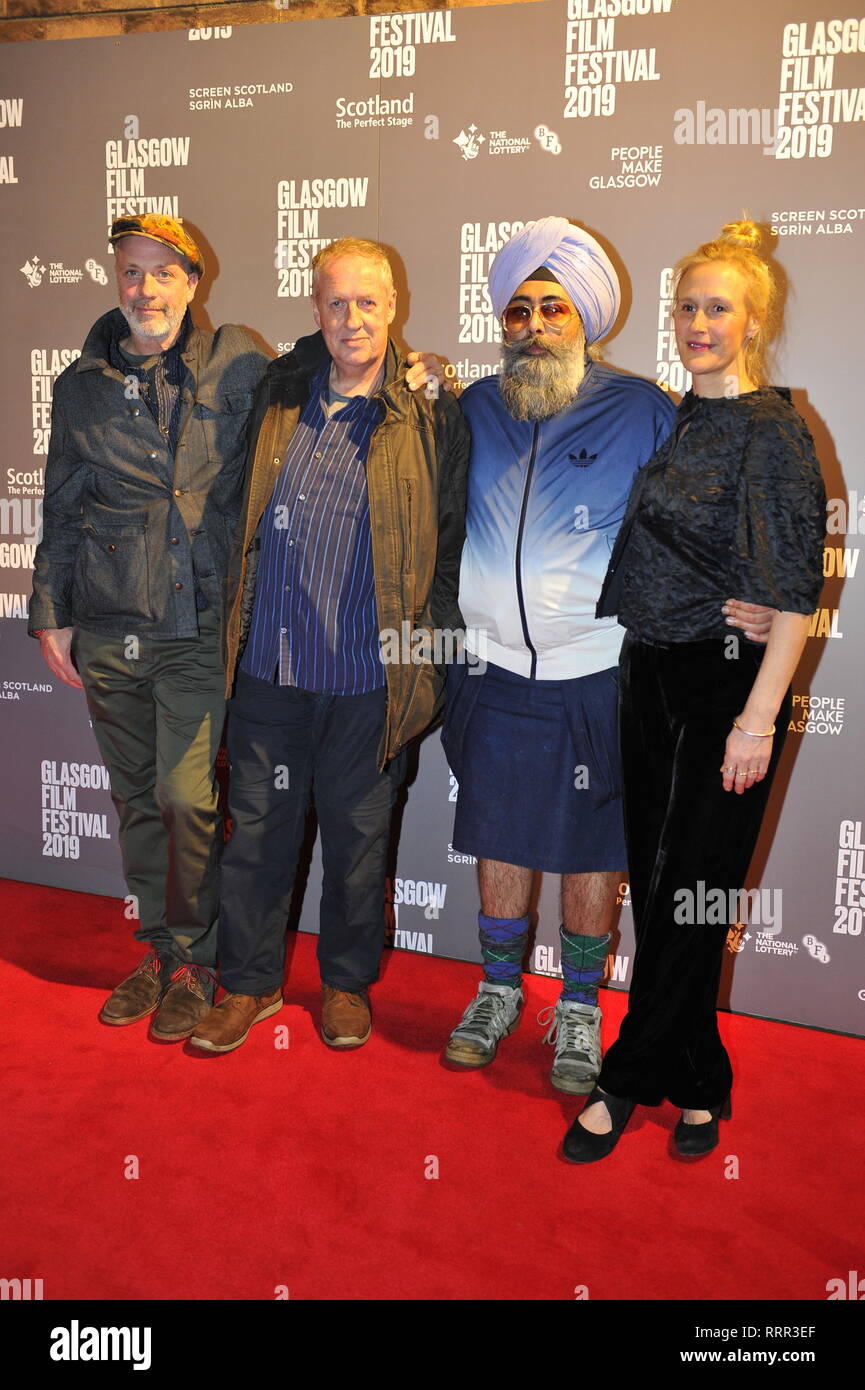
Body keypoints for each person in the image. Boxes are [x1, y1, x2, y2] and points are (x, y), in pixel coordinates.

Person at [442, 217, 772, 1094]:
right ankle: (498, 989)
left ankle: (581, 1005)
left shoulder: (644, 409)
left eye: (554, 307)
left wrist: (754, 598)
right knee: (499, 836)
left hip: (599, 668)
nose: (536, 324)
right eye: (519, 310)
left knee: (595, 846)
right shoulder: (471, 408)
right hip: (489, 666)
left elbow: (703, 510)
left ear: (584, 317)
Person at [564, 220, 826, 1162]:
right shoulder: (687, 414)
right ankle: (700, 1079)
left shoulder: (773, 431)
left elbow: (792, 596)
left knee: (692, 892)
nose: (697, 322)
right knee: (670, 887)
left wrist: (756, 721)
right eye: (686, 307)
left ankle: (626, 1074)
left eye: (718, 308)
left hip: (722, 688)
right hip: (649, 673)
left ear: (753, 321)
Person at [190, 237, 470, 1055]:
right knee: (257, 839)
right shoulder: (276, 394)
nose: (352, 319)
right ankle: (247, 985)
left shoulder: (427, 410)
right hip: (268, 672)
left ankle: (345, 985)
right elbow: (221, 516)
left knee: (357, 849)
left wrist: (428, 659)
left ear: (394, 307)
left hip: (368, 680)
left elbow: (448, 545)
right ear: (317, 308)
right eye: (336, 302)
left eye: (368, 302)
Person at [29, 215, 271, 1041]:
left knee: (184, 797)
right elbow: (61, 507)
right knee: (135, 799)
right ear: (116, 281)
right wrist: (51, 616)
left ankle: (198, 956)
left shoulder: (239, 361)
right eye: (132, 273)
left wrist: (408, 373)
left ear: (192, 283)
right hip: (107, 621)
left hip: (197, 622)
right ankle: (159, 950)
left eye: (164, 274)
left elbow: (316, 390)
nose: (145, 290)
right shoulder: (80, 385)